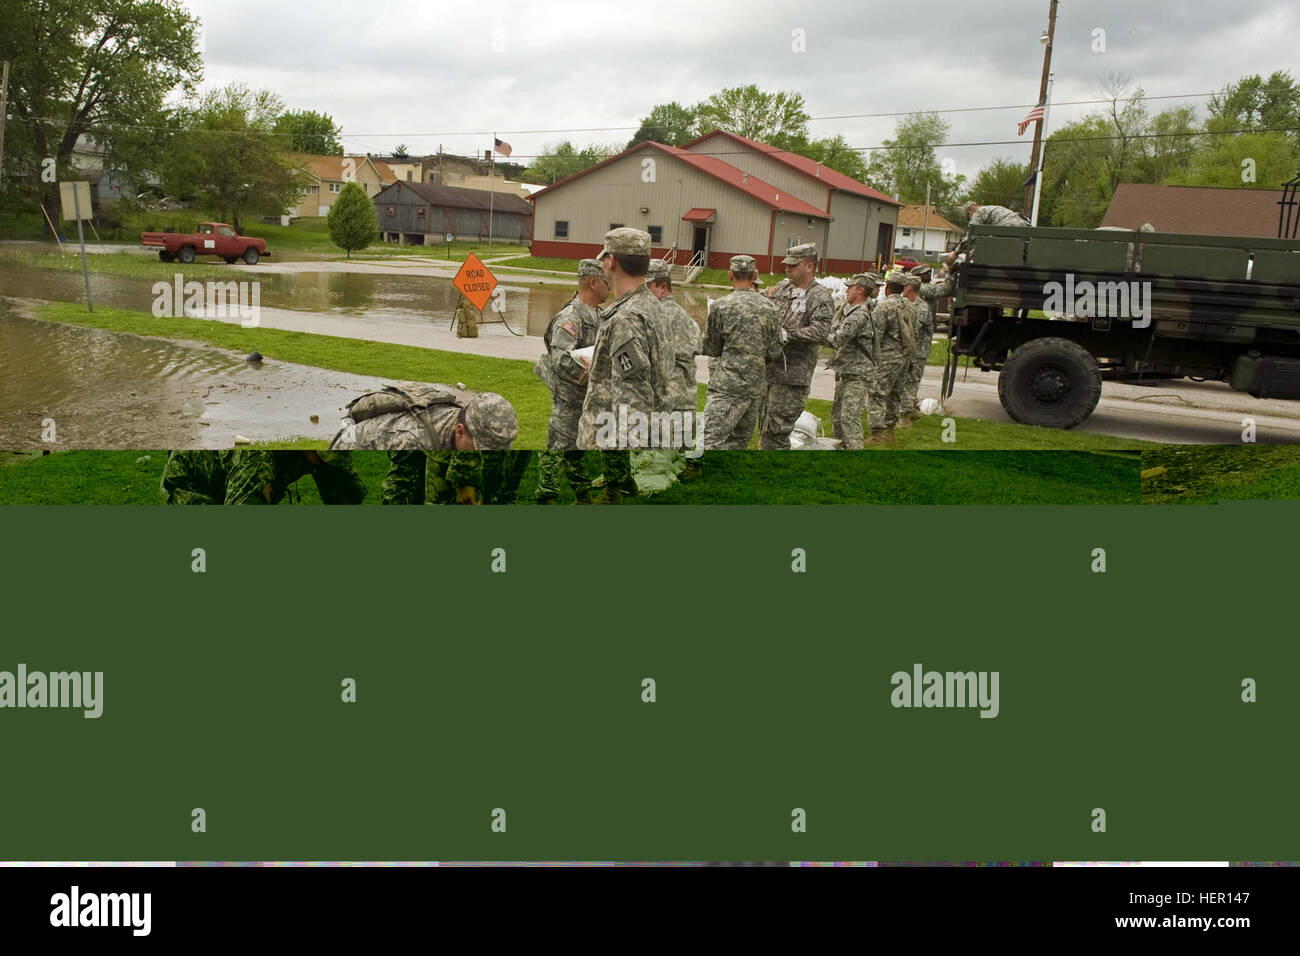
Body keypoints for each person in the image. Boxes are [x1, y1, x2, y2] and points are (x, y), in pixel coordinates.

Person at [578, 227, 670, 504]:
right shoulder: (650, 304)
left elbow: (632, 390)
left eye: (604, 258)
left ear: (613, 261)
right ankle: (618, 486)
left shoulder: (627, 317)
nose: (603, 264)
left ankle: (613, 495)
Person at [328, 384, 518, 505]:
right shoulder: (413, 440)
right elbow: (397, 492)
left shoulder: (462, 425)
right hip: (351, 443)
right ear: (459, 431)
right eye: (482, 447)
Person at [535, 259, 607, 505]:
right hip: (568, 396)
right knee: (556, 446)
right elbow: (559, 358)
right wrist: (587, 368)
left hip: (587, 397)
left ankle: (583, 495)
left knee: (577, 448)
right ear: (594, 282)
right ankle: (547, 495)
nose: (611, 287)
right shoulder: (571, 317)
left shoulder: (601, 315)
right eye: (607, 281)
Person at [699, 255, 784, 450]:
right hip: (754, 386)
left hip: (726, 385)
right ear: (755, 275)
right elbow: (775, 350)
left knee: (710, 441)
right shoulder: (770, 307)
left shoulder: (720, 306)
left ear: (730, 275)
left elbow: (711, 348)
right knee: (739, 444)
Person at [760, 242, 833, 449]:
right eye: (787, 264)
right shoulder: (782, 288)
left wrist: (788, 335)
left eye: (793, 265)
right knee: (764, 427)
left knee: (777, 432)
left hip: (792, 376)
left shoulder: (819, 296)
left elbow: (821, 331)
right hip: (769, 371)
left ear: (809, 266)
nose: (787, 268)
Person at [161, 450, 366, 505]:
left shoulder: (319, 455)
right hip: (193, 481)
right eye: (320, 459)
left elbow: (347, 495)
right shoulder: (258, 462)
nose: (322, 465)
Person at [645, 258, 702, 445]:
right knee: (678, 466)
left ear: (663, 287)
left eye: (648, 286)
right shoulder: (689, 320)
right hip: (687, 406)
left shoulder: (654, 317)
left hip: (665, 409)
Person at [898, 263, 957, 425]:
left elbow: (947, 290)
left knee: (911, 379)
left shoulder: (922, 292)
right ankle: (908, 410)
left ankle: (909, 409)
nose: (929, 275)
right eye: (925, 273)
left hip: (920, 343)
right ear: (917, 277)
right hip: (917, 344)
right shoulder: (922, 289)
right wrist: (951, 276)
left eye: (930, 272)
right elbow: (942, 291)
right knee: (910, 379)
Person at [827, 274, 879, 449]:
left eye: (851, 287)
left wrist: (812, 334)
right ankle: (841, 448)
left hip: (858, 373)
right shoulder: (849, 311)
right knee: (837, 414)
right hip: (848, 370)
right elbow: (834, 328)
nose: (847, 290)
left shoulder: (859, 315)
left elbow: (837, 339)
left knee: (849, 417)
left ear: (860, 290)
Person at [865, 272, 916, 445]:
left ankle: (877, 434)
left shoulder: (884, 307)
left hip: (887, 357)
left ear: (887, 287)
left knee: (877, 394)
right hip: (905, 357)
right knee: (895, 393)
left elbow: (876, 335)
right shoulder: (909, 306)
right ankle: (889, 431)